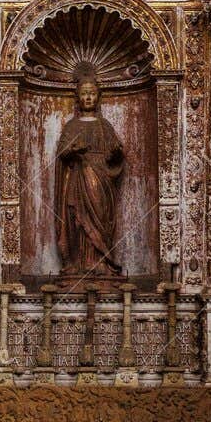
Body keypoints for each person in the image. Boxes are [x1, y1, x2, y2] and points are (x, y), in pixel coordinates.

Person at [54, 72, 125, 284]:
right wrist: (73, 149)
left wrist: (116, 153)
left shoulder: (105, 126)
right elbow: (62, 153)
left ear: (98, 97)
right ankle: (79, 263)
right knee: (78, 222)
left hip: (102, 181)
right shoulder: (72, 126)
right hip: (78, 180)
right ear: (78, 97)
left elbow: (116, 153)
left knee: (101, 219)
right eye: (84, 94)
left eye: (92, 94)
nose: (88, 98)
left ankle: (101, 264)